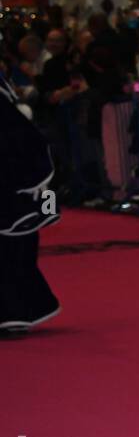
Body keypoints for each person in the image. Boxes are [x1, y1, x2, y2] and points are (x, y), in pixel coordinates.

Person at [0, 74, 61, 332]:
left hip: (12, 185)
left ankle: (15, 312)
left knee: (13, 246)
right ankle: (17, 311)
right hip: (14, 184)